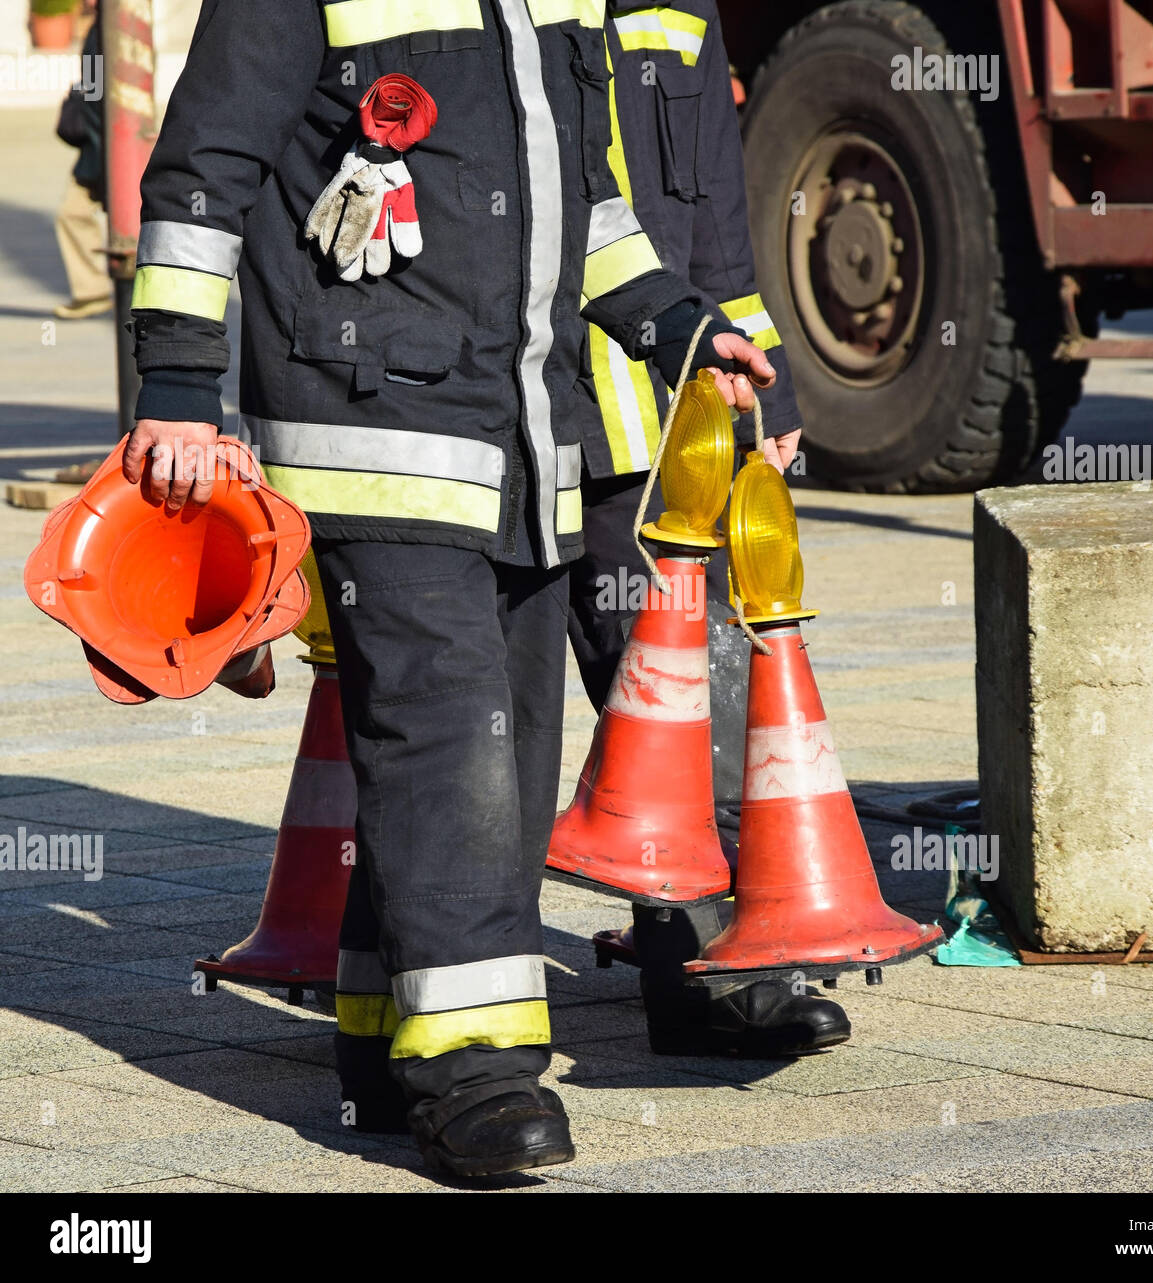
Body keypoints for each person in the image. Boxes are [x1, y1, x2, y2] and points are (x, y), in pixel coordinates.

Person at [122, 0, 775, 1181]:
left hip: (525, 446)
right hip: (369, 433)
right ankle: (473, 1070)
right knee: (447, 741)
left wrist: (679, 327)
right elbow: (200, 179)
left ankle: (381, 1038)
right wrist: (175, 389)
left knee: (505, 754)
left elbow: (594, 205)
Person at [567, 0, 850, 1056]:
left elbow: (717, 223)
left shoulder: (678, 10)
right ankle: (428, 972)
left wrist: (762, 413)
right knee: (471, 732)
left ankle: (719, 977)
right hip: (522, 419)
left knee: (687, 710)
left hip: (666, 433)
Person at [52, 10, 111, 321]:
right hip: (103, 145)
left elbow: (96, 94)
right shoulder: (102, 26)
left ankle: (95, 291)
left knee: (137, 226)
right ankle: (92, 291)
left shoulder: (107, 28)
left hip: (105, 148)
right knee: (73, 214)